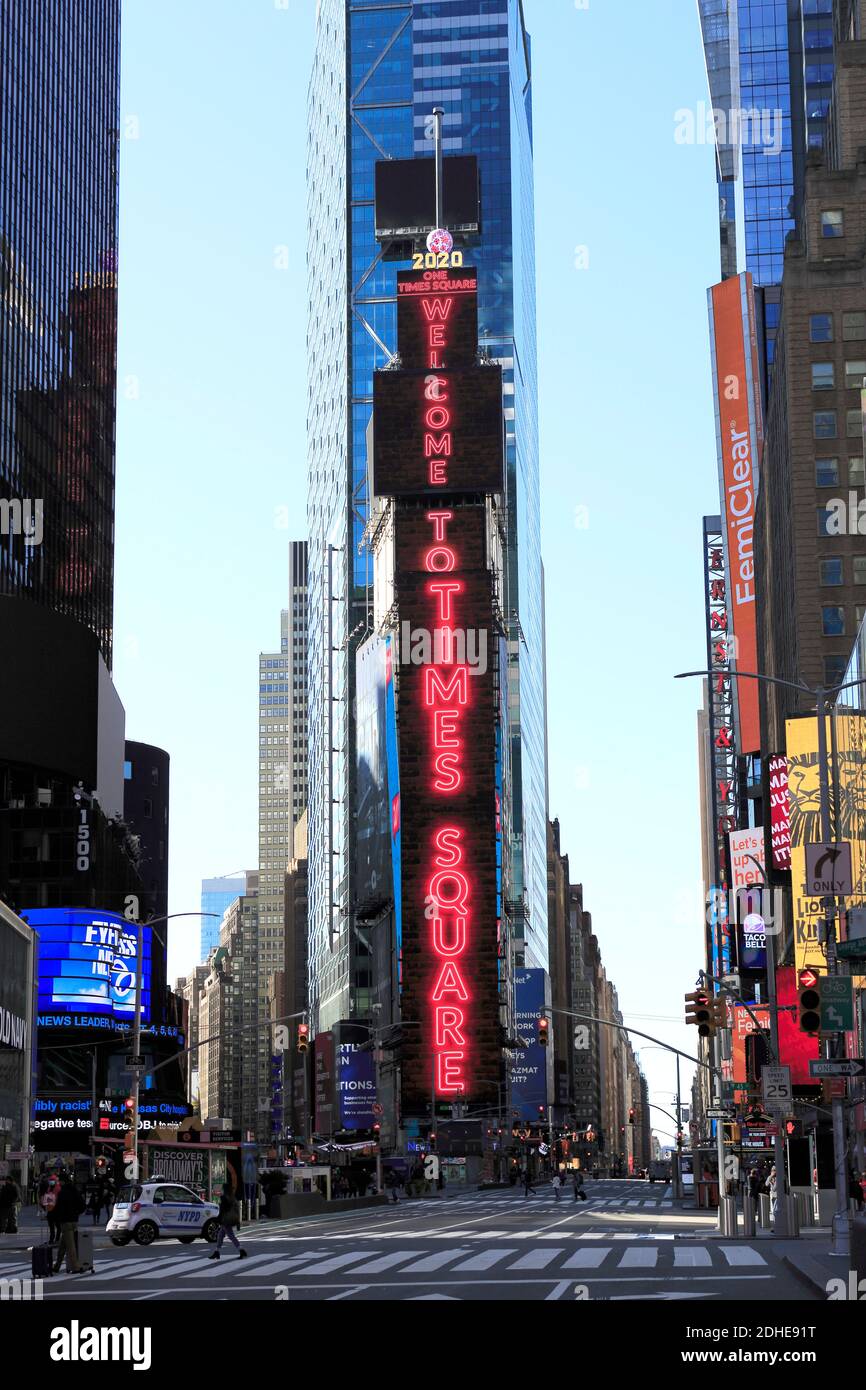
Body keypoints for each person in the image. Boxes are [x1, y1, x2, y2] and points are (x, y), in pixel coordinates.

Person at [52, 1173, 86, 1274]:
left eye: (59, 1181)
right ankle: (57, 1265)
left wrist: (56, 1218)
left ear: (62, 1181)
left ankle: (75, 1266)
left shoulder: (62, 1193)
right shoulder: (75, 1191)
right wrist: (76, 1214)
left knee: (70, 1246)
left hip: (65, 1222)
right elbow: (82, 1205)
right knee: (63, 1244)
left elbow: (58, 1208)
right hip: (74, 1221)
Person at [208, 1183, 248, 1261]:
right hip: (231, 1219)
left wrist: (218, 1219)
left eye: (223, 1189)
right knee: (220, 1235)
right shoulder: (232, 1197)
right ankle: (217, 1252)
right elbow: (236, 1211)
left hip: (226, 1220)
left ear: (225, 1189)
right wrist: (237, 1221)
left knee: (231, 1236)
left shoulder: (224, 1198)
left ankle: (241, 1250)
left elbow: (223, 1210)